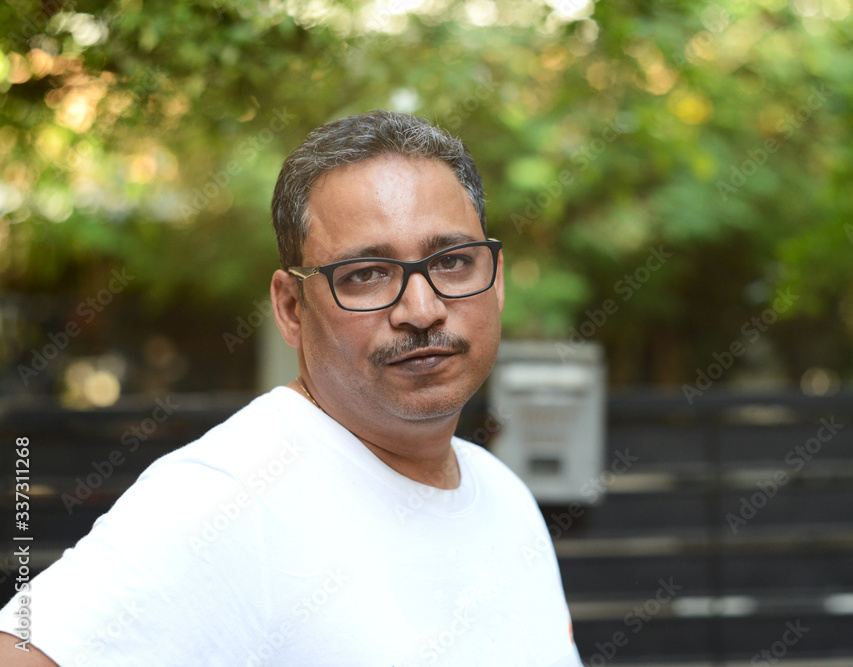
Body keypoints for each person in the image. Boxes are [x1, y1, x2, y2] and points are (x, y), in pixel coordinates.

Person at [0, 110, 582, 666]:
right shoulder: (226, 498)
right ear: (291, 308)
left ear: (496, 281)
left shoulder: (503, 495)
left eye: (452, 262)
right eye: (366, 274)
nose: (422, 309)